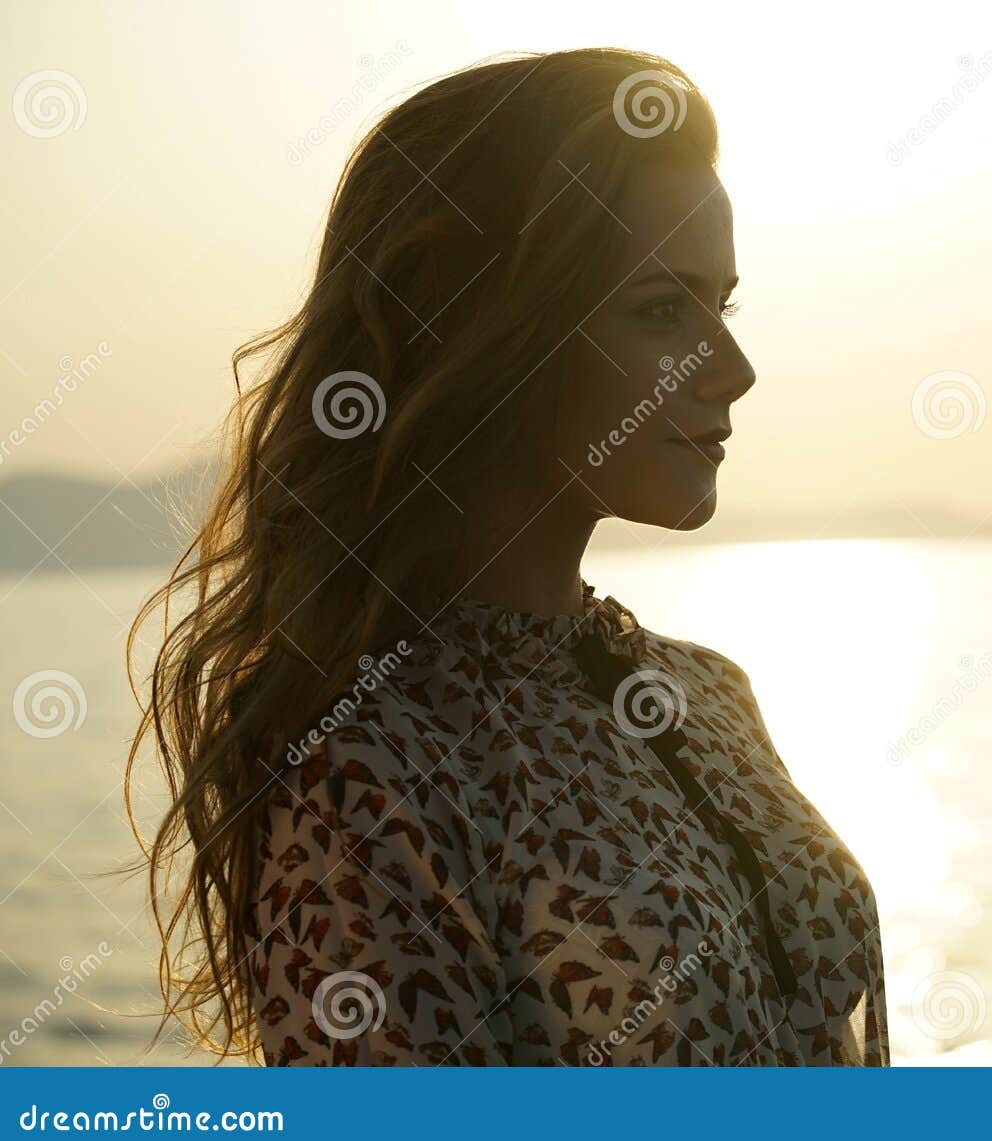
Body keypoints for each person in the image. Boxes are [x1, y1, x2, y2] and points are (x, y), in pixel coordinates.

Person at [125, 49, 888, 1066]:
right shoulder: (376, 770)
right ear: (497, 328)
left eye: (724, 305)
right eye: (664, 310)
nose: (734, 370)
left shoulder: (710, 697)